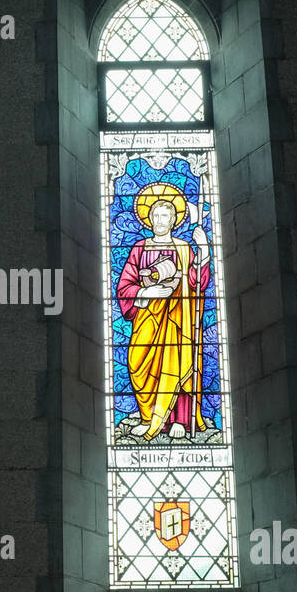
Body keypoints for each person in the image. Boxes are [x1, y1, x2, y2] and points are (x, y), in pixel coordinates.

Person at [115, 183, 210, 441]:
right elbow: (124, 285)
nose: (159, 220)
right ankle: (149, 417)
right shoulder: (139, 248)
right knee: (138, 362)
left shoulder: (183, 248)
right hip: (146, 315)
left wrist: (203, 251)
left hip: (178, 315)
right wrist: (145, 294)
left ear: (174, 220)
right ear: (149, 219)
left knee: (177, 360)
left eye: (165, 216)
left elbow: (197, 281)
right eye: (155, 215)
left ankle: (178, 418)